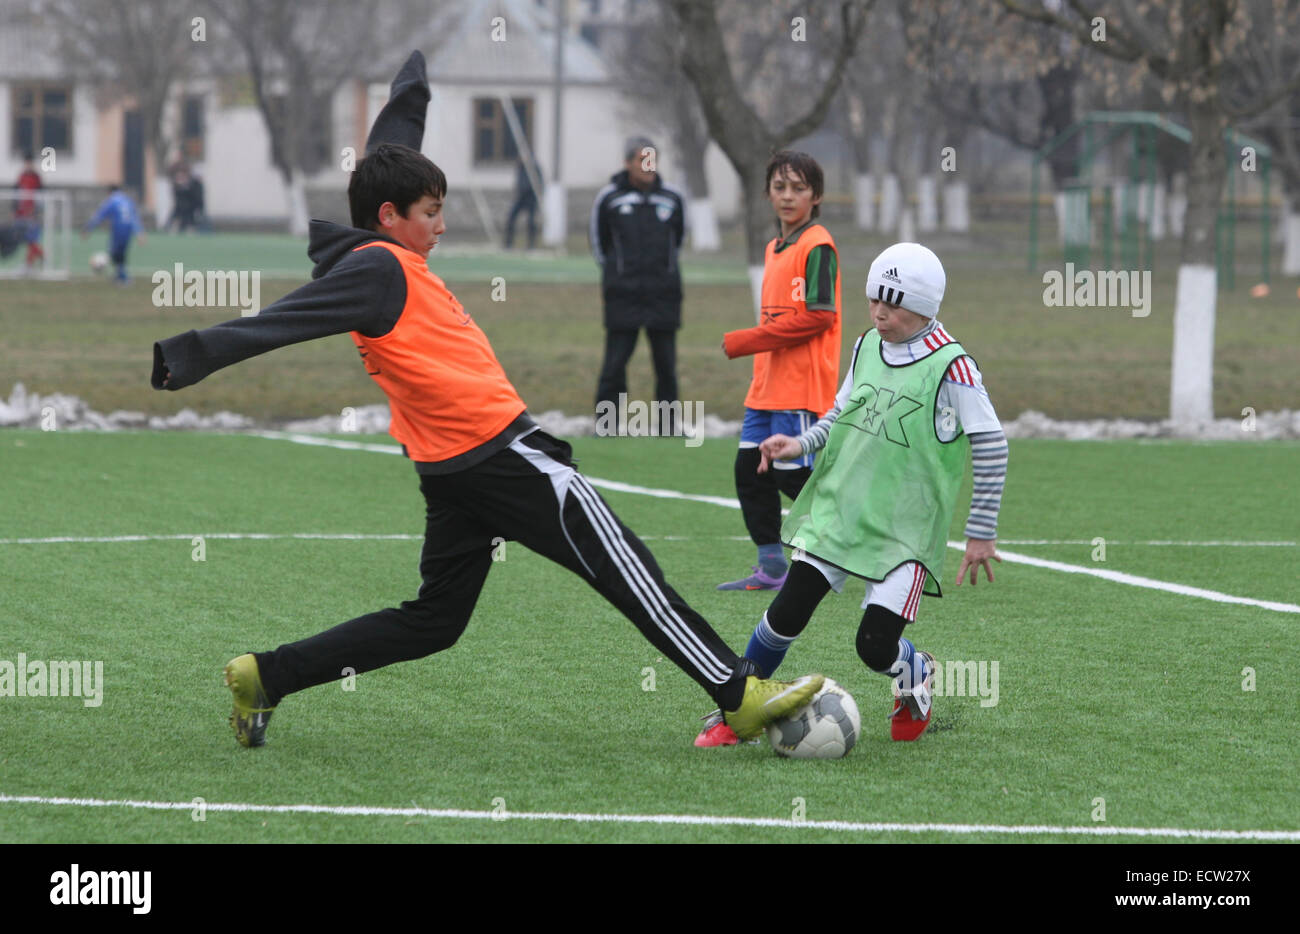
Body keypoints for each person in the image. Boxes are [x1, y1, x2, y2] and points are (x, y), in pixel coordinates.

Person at [149, 51, 822, 750]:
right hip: (501, 456)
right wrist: (187, 357)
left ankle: (265, 676)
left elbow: (391, 153)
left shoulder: (383, 257)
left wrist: (409, 94)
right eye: (431, 214)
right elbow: (279, 322)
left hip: (453, 469)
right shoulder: (377, 267)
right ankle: (739, 694)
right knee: (627, 565)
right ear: (389, 217)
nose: (441, 226)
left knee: (434, 621)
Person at [696, 242, 1008, 747]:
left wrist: (981, 530)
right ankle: (735, 712)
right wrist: (801, 441)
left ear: (926, 306)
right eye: (873, 301)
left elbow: (992, 444)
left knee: (873, 645)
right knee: (786, 612)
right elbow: (843, 412)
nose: (879, 313)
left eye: (893, 303)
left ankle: (915, 669)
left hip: (903, 531)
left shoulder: (954, 367)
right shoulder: (867, 345)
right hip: (841, 511)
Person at [717, 151, 841, 591]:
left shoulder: (818, 245)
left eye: (799, 188)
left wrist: (750, 339)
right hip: (765, 386)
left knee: (792, 473)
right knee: (750, 470)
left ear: (816, 195)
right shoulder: (775, 247)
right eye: (780, 186)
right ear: (768, 191)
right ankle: (772, 567)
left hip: (801, 385)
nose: (788, 196)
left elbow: (820, 316)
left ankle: (851, 539)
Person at [589, 136, 686, 437]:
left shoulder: (672, 198)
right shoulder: (610, 198)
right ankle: (607, 426)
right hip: (623, 295)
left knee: (666, 365)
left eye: (652, 159)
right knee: (615, 364)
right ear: (628, 163)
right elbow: (598, 244)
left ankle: (668, 427)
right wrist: (618, 274)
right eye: (641, 160)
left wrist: (664, 272)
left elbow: (678, 241)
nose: (647, 166)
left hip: (663, 295)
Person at [83, 184, 143, 283]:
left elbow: (99, 215)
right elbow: (134, 218)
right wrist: (139, 232)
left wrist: (88, 228)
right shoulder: (127, 200)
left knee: (114, 253)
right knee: (120, 254)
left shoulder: (112, 201)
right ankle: (120, 276)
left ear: (109, 192)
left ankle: (123, 277)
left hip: (118, 229)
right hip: (128, 230)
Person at [15, 152, 45, 273]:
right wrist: (16, 210)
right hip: (22, 213)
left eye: (30, 162)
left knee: (31, 239)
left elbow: (42, 195)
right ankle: (37, 258)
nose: (28, 165)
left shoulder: (37, 177)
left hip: (32, 213)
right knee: (27, 239)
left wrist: (36, 211)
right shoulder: (21, 176)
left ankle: (30, 263)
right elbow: (16, 194)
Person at [503, 155, 539, 250]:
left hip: (531, 198)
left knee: (531, 222)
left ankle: (531, 245)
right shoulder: (520, 168)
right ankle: (508, 244)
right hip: (520, 197)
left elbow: (539, 182)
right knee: (511, 218)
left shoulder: (534, 167)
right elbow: (518, 182)